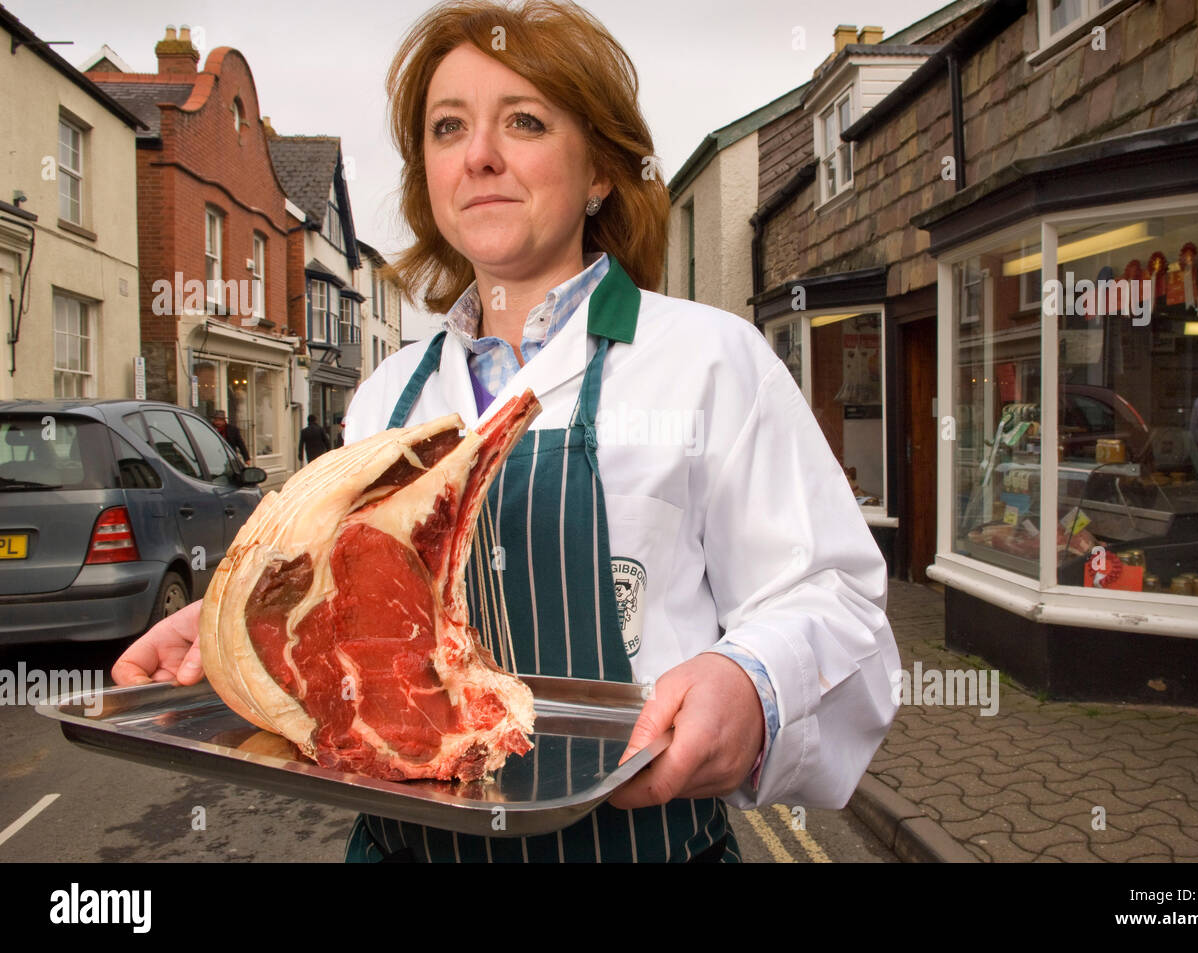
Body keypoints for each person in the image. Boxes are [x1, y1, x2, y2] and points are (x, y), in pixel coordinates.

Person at [112, 0, 899, 864]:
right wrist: (233, 627)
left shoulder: (709, 361)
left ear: (599, 167)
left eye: (523, 121)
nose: (480, 154)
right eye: (449, 128)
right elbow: (338, 624)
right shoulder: (385, 398)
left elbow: (835, 592)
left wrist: (751, 680)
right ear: (430, 176)